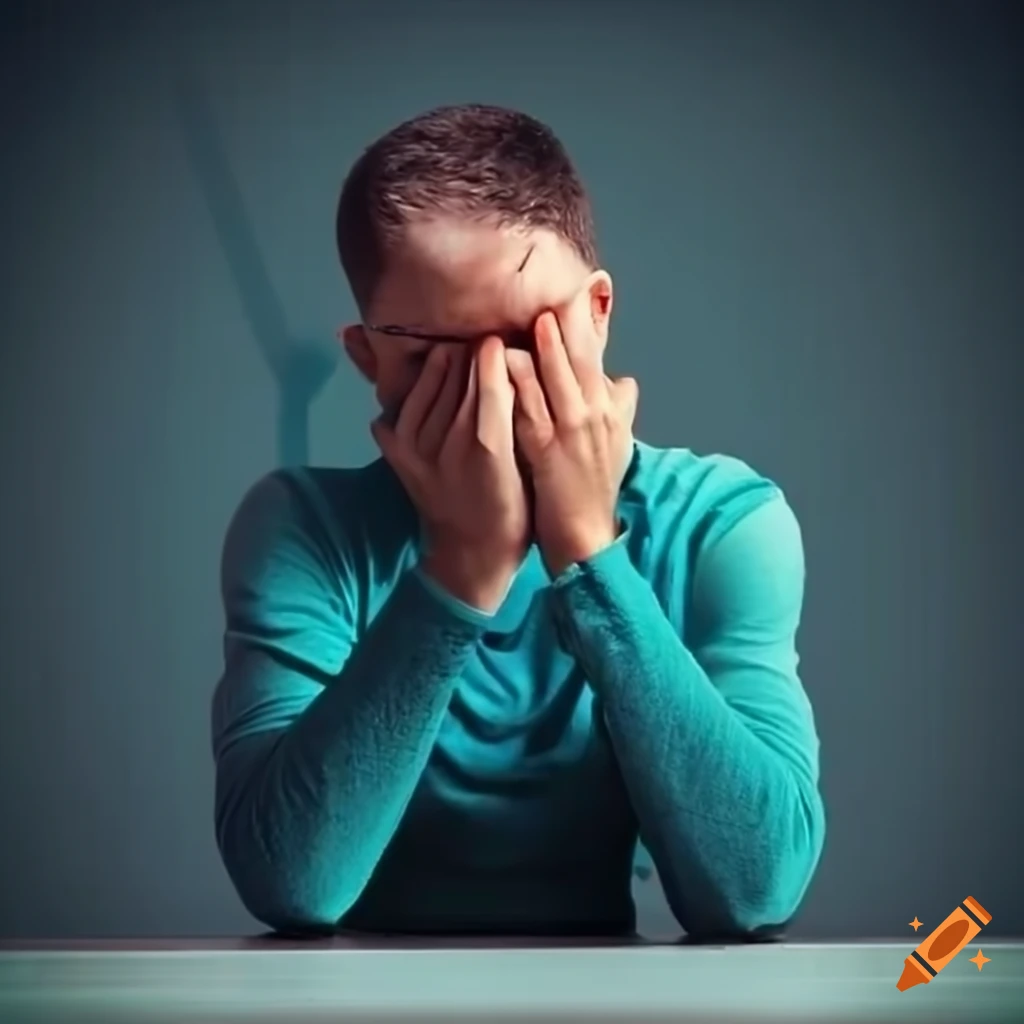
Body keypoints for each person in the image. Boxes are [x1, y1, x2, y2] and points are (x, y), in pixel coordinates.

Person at [210, 103, 826, 940]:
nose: (492, 394)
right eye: (436, 358)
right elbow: (292, 881)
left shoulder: (720, 525)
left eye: (527, 340)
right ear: (368, 359)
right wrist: (463, 564)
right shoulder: (304, 532)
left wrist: (589, 555)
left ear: (596, 314)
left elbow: (756, 889)